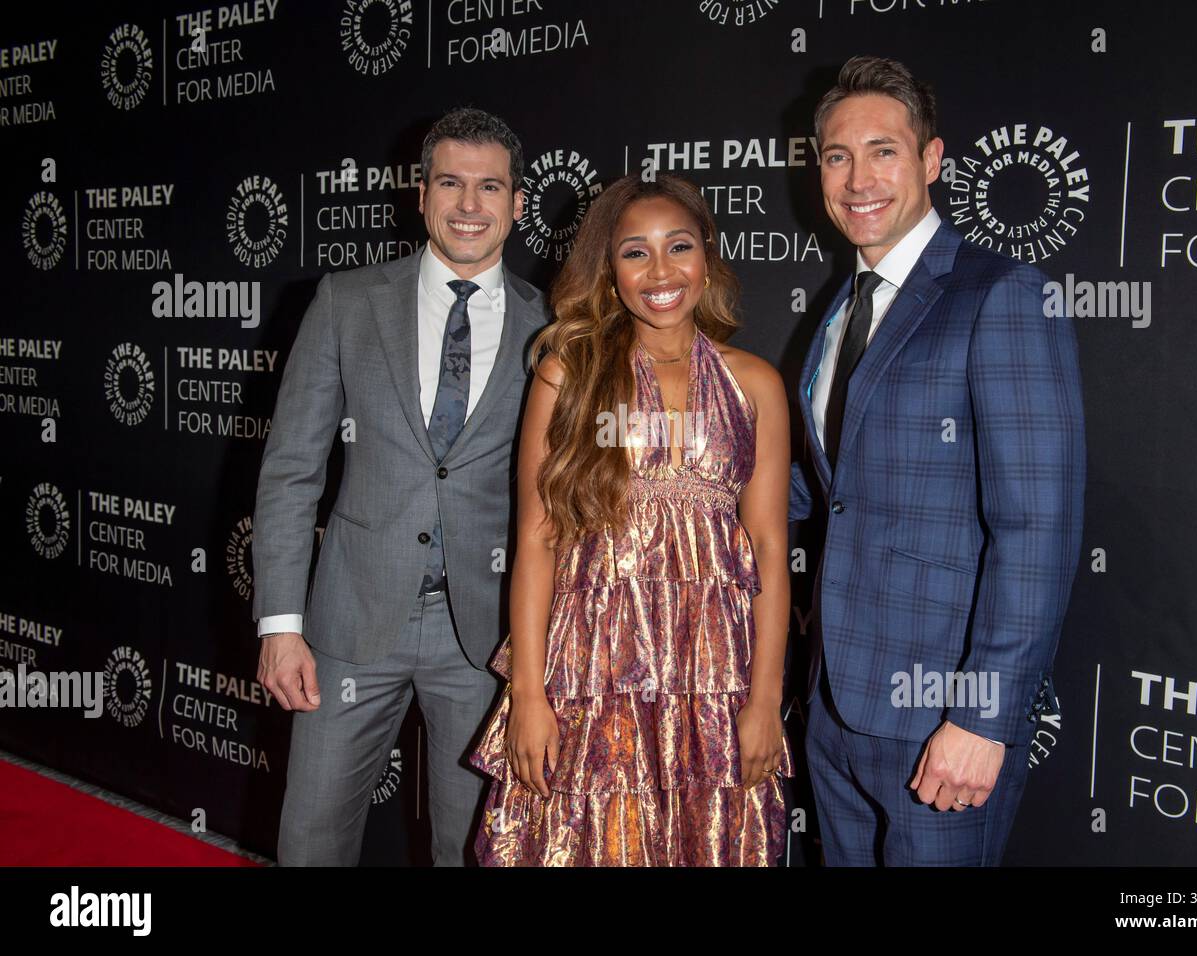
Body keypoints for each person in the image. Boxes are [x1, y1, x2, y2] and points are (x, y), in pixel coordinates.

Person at [791, 55, 1085, 866]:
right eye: (838, 157)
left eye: (883, 151)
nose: (858, 179)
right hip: (833, 708)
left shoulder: (1001, 295)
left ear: (931, 160)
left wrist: (983, 719)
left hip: (943, 720)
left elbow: (1037, 529)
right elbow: (820, 489)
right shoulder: (841, 307)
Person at [469, 173, 794, 866]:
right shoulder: (570, 373)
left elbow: (768, 545)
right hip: (591, 671)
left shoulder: (755, 383)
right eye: (634, 253)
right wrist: (528, 693)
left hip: (713, 676)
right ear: (609, 272)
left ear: (707, 254)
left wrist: (765, 699)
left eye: (678, 246)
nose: (660, 272)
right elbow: (536, 535)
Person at [252, 107, 549, 865]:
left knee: (475, 848)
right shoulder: (347, 303)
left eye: (490, 187)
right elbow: (291, 469)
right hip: (346, 629)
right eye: (450, 183)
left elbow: (561, 500)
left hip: (487, 643)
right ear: (420, 195)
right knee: (311, 841)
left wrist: (543, 646)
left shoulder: (551, 326)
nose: (469, 206)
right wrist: (280, 624)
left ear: (518, 205)